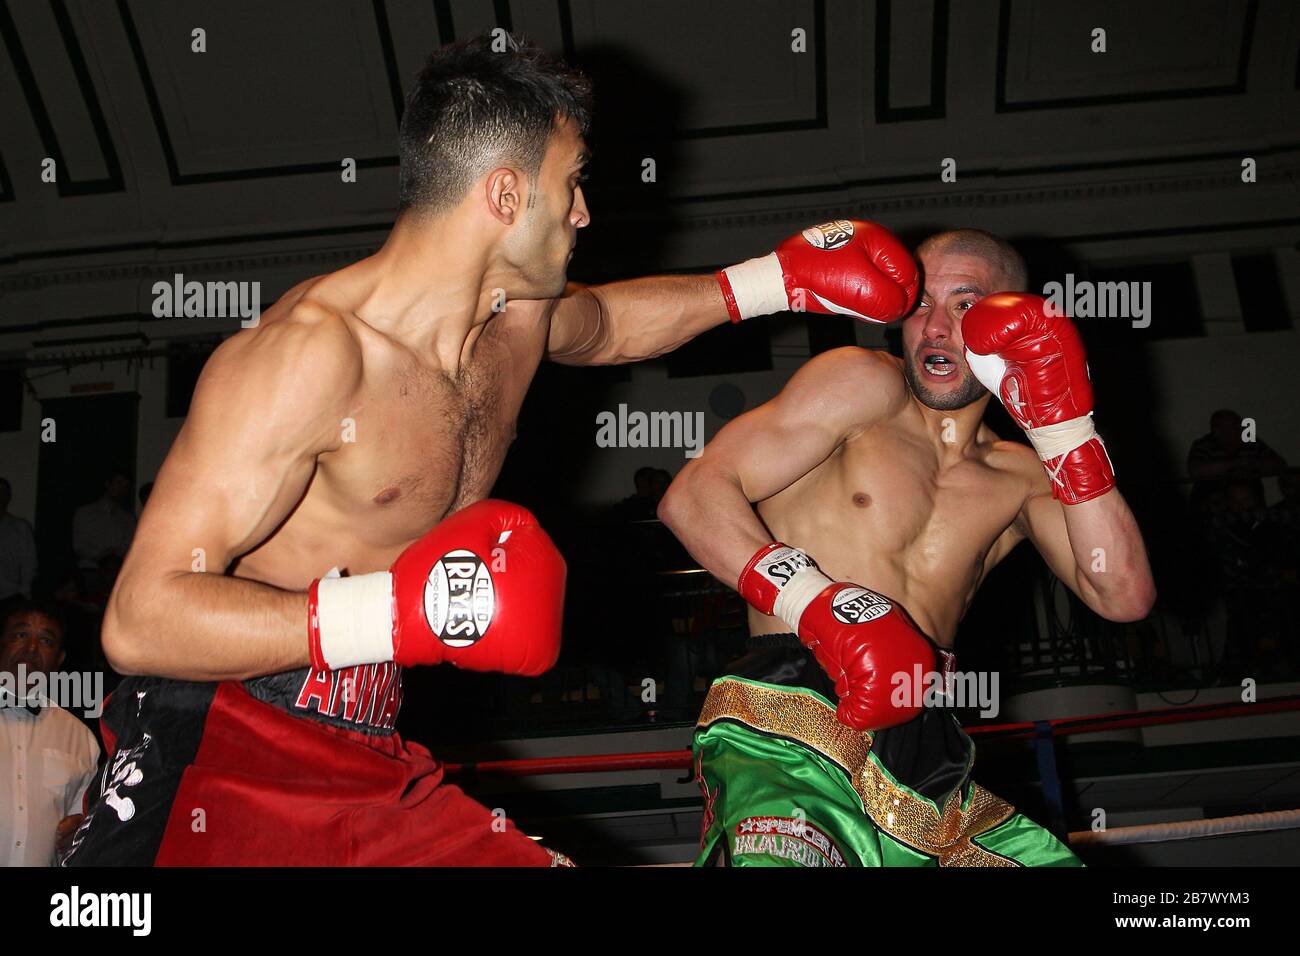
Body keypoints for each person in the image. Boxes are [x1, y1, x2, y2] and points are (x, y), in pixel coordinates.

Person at [65, 35, 919, 866]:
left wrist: (779, 279)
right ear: (506, 195)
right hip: (223, 745)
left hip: (368, 741)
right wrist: (402, 615)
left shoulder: (517, 320)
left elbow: (614, 324)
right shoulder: (311, 356)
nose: (585, 211)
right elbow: (140, 619)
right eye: (573, 183)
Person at [659, 228, 1157, 867]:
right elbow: (694, 496)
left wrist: (1066, 431)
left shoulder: (1023, 474)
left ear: (1016, 321)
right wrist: (817, 606)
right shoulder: (861, 383)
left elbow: (1123, 593)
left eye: (967, 304)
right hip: (792, 710)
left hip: (925, 744)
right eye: (922, 303)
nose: (936, 326)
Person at [0, 600, 100, 866]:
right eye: (21, 635)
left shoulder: (82, 739)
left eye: (46, 641)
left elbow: (83, 825)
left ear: (59, 659)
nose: (31, 649)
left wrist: (79, 831)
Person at [0, 479, 37, 602]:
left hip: (10, 595)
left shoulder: (20, 527)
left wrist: (24, 591)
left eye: (3, 492)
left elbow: (28, 561)